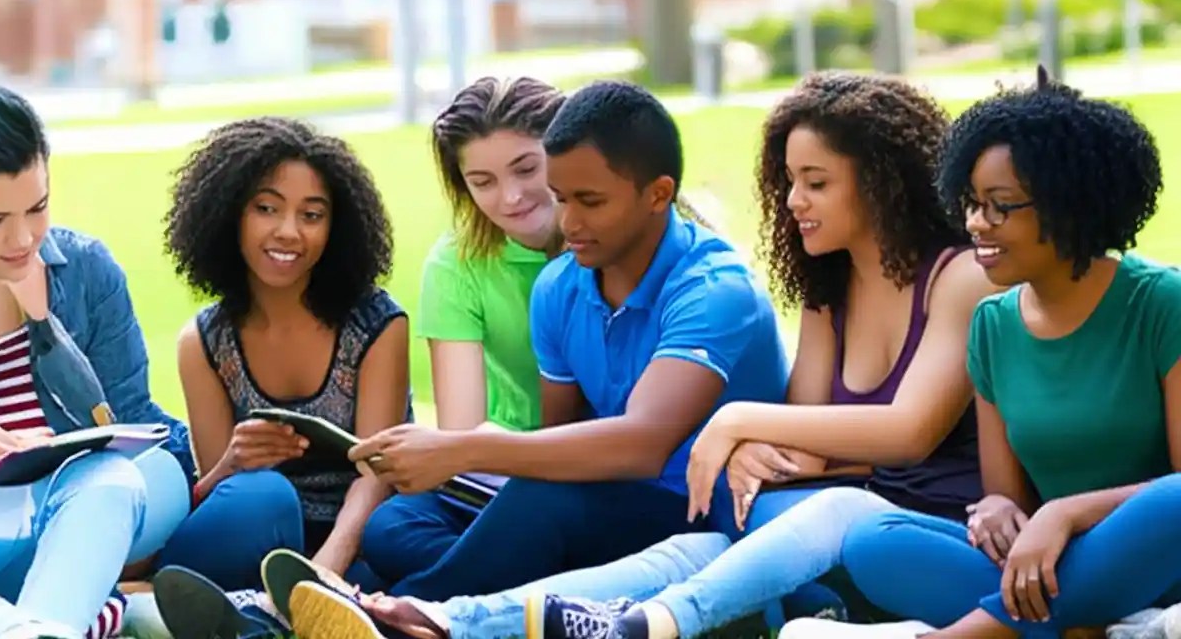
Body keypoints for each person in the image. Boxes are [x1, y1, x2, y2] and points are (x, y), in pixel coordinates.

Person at [275, 71, 1005, 639]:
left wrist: (738, 429)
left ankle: (396, 609)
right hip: (758, 503)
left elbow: (898, 432)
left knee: (570, 510)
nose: (791, 203)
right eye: (787, 183)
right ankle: (433, 611)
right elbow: (800, 432)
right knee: (406, 520)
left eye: (814, 183)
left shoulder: (728, 287)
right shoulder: (821, 287)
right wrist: (766, 443)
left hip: (773, 510)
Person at [783, 68, 1181, 639]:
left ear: (1071, 206)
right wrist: (997, 510)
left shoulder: (1161, 303)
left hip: (1149, 552)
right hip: (1043, 565)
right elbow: (1004, 495)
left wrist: (1064, 513)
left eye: (1001, 206)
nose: (975, 223)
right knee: (875, 542)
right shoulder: (993, 324)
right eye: (970, 203)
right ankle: (1098, 628)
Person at [0, 83, 193, 638]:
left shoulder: (86, 270)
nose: (23, 237)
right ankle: (85, 618)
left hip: (92, 504)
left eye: (37, 207)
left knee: (115, 476)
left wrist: (47, 329)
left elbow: (128, 423)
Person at [148, 116, 411, 636]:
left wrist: (322, 576)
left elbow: (377, 476)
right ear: (229, 215)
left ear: (336, 228)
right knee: (262, 494)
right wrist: (231, 462)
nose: (289, 232)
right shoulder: (204, 341)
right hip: (255, 527)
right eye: (266, 209)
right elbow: (217, 496)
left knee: (391, 545)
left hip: (350, 536)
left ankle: (258, 620)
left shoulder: (378, 325)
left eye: (311, 215)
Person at [359, 76, 566, 587]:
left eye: (526, 168)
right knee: (391, 528)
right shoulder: (456, 263)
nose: (511, 197)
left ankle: (410, 608)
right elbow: (461, 432)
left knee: (406, 566)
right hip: (499, 471)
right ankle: (550, 589)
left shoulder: (608, 244)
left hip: (601, 465)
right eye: (483, 181)